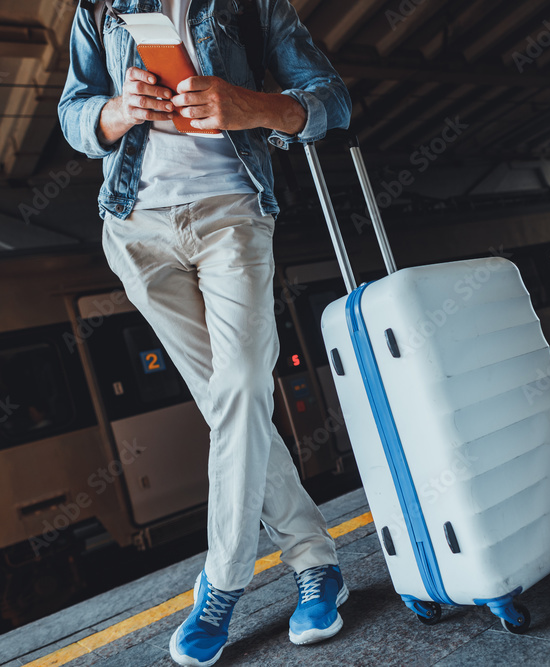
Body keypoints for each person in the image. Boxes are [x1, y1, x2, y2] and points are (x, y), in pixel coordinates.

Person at [58, 1, 352, 665]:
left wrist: (249, 105)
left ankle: (221, 582)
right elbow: (76, 113)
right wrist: (118, 111)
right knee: (231, 404)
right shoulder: (100, 7)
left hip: (232, 216)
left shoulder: (252, 5)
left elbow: (332, 101)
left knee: (244, 384)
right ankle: (315, 562)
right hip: (136, 231)